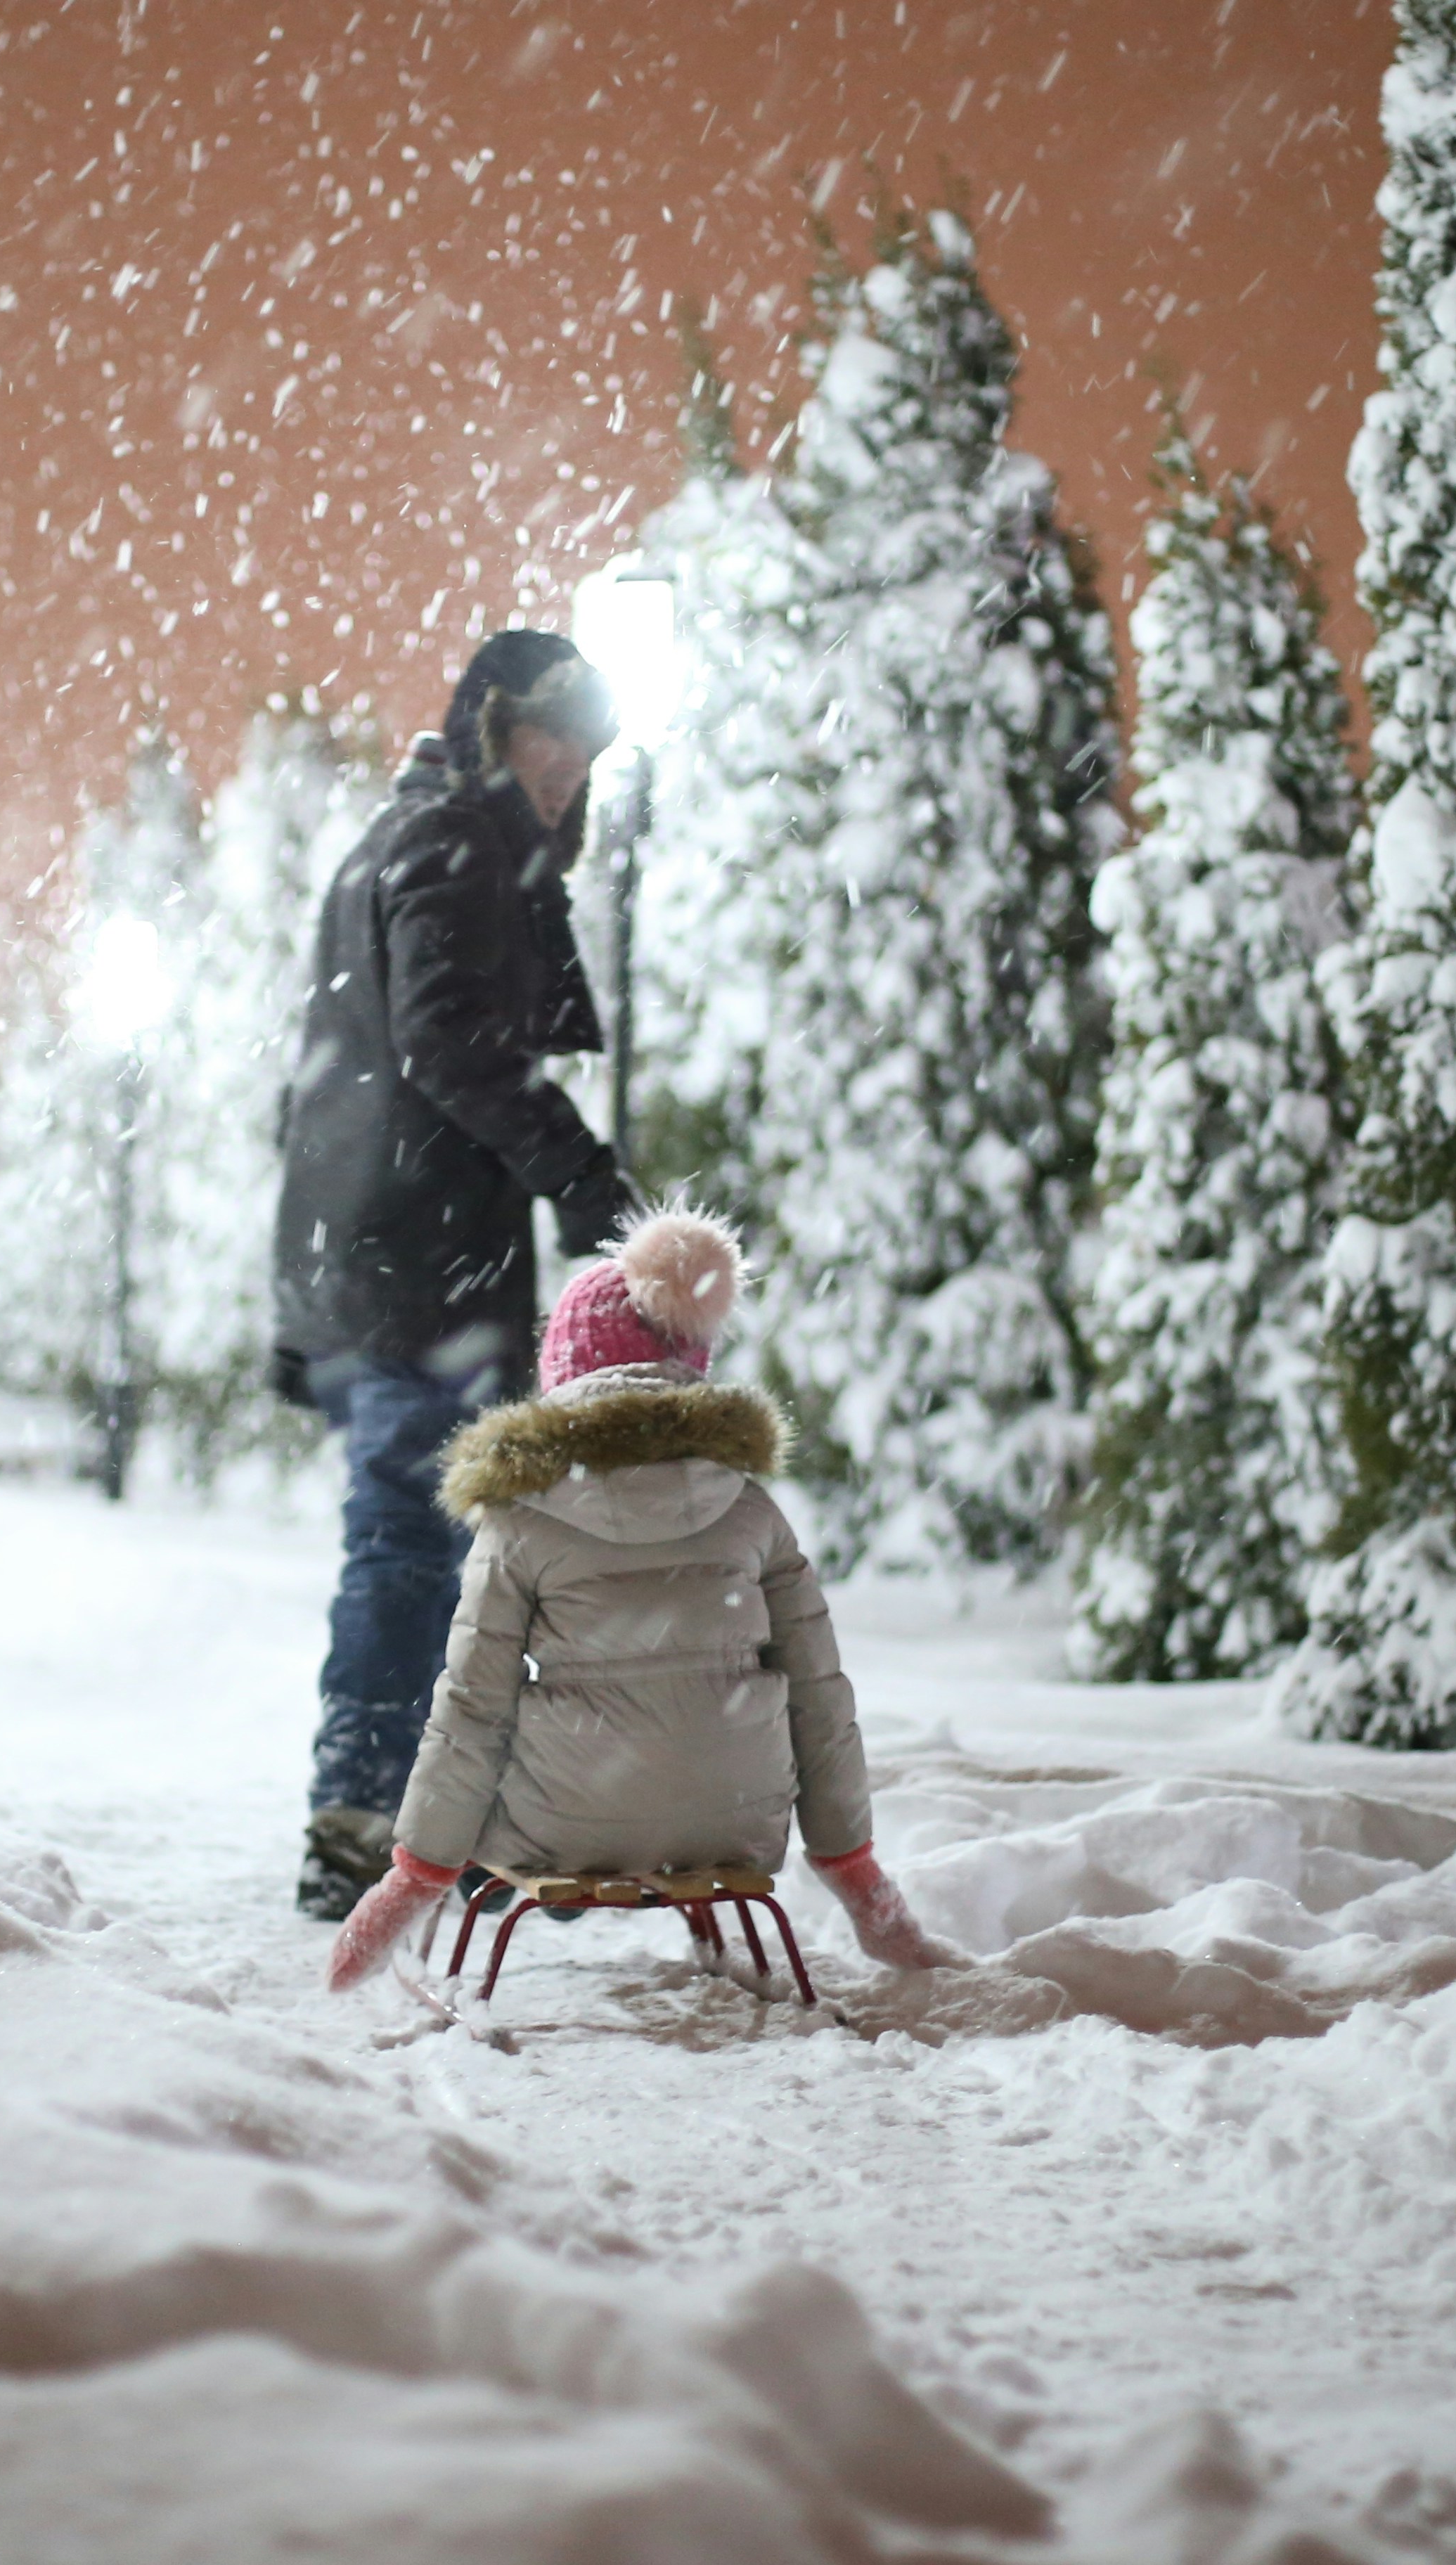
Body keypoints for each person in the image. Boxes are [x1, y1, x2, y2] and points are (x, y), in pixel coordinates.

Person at [322, 1206, 957, 1990]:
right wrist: (857, 1876)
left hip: (563, 1830)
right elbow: (820, 1700)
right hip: (735, 1823)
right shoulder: (752, 1509)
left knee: (499, 1719)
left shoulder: (519, 1521)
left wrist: (414, 1877)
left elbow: (472, 1709)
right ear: (693, 1364)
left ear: (562, 1376)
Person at [272, 631, 637, 1920]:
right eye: (551, 736)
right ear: (492, 728)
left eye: (587, 746)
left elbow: (323, 1070)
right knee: (414, 1542)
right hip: (422, 1255)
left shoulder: (397, 834)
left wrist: (301, 1284)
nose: (568, 767)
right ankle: (369, 1816)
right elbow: (447, 1042)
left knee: (430, 1536)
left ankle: (405, 1817)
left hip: (376, 1253)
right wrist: (585, 1176)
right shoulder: (453, 843)